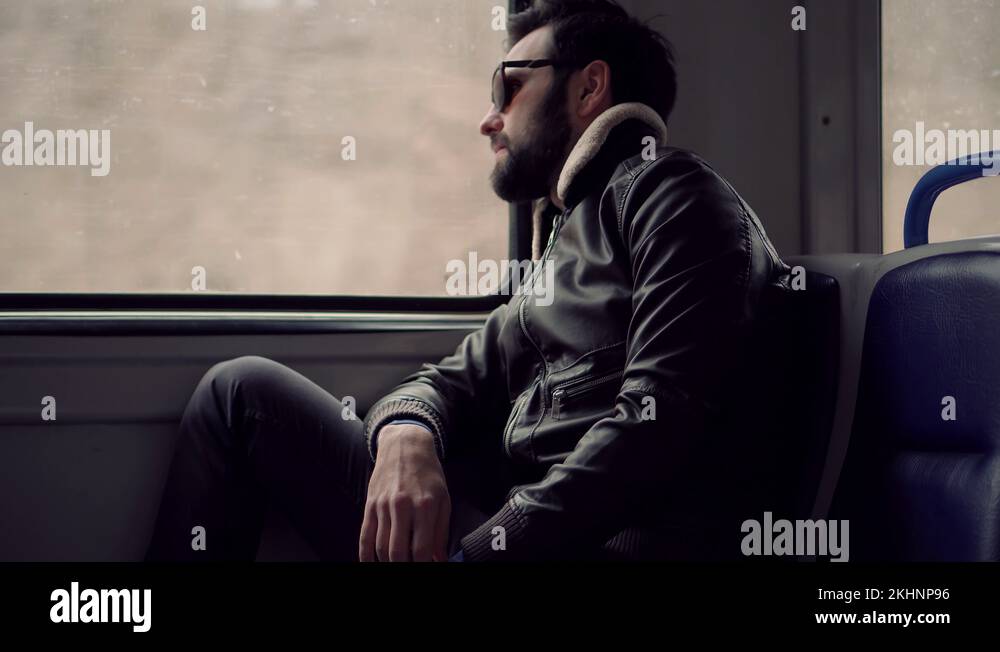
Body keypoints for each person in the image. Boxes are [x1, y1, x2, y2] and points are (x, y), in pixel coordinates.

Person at [145, 0, 787, 563]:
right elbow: (449, 380)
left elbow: (658, 426)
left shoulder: (673, 197)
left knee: (237, 394)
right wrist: (407, 434)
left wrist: (482, 551)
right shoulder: (560, 248)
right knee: (242, 394)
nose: (488, 119)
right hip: (509, 538)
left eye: (508, 86)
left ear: (590, 87)